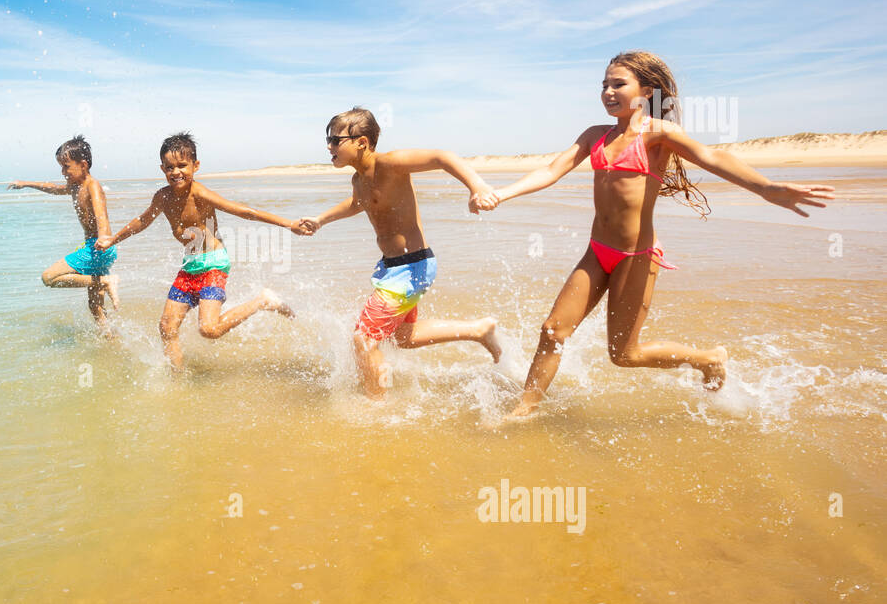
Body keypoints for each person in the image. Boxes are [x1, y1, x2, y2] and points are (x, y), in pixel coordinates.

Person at [477, 51, 835, 417]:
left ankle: (708, 359)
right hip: (596, 252)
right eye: (604, 85)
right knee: (553, 331)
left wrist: (765, 187)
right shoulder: (594, 136)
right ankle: (525, 410)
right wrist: (500, 194)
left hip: (636, 257)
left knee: (625, 355)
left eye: (619, 84)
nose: (608, 92)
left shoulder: (657, 135)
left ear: (646, 92)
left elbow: (713, 157)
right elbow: (551, 170)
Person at [299, 107, 502, 399]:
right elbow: (357, 204)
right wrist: (321, 219)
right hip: (393, 267)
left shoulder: (391, 164)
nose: (329, 146)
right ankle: (477, 330)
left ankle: (376, 405)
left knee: (364, 338)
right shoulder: (358, 180)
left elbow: (442, 157)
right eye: (327, 139)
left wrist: (477, 186)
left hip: (412, 266)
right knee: (402, 337)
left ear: (362, 142)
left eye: (335, 140)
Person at [96, 132, 305, 370]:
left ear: (195, 165)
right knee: (166, 327)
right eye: (169, 167)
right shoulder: (162, 197)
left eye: (182, 165)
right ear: (162, 168)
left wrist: (289, 224)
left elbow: (244, 211)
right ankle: (178, 379)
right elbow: (142, 221)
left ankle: (263, 301)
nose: (176, 172)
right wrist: (113, 239)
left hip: (214, 264)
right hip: (190, 266)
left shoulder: (199, 193)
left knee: (209, 329)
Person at [8, 135, 119, 330]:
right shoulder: (75, 186)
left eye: (66, 166)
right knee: (96, 308)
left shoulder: (92, 186)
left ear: (83, 164)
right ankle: (111, 339)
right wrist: (26, 183)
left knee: (49, 277)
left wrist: (102, 238)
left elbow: (101, 214)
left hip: (99, 246)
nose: (63, 172)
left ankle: (105, 280)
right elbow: (54, 188)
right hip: (97, 247)